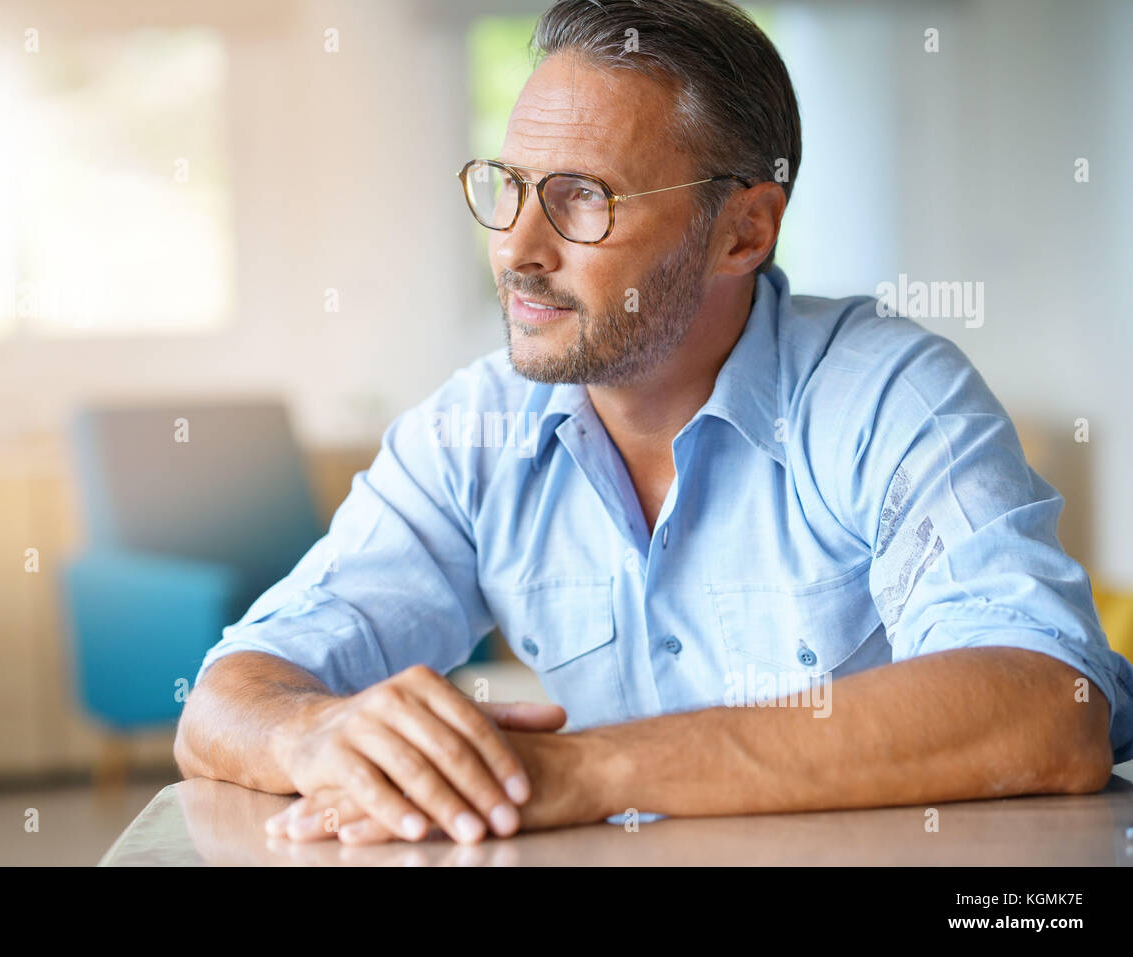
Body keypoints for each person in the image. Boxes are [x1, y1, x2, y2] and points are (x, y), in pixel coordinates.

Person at [174, 0, 1131, 845]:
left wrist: (587, 769)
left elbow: (1052, 706)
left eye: (582, 196)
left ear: (744, 230)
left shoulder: (887, 397)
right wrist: (318, 733)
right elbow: (223, 701)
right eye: (506, 185)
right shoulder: (471, 432)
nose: (515, 247)